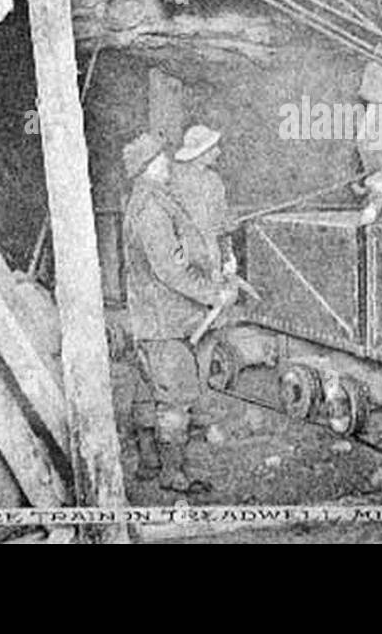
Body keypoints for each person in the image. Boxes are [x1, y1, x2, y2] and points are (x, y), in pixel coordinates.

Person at [122, 131, 236, 495]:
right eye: (160, 159)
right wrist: (211, 292)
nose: (167, 163)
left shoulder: (146, 201)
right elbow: (170, 270)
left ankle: (148, 461)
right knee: (175, 399)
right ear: (148, 167)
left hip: (148, 318)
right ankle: (173, 473)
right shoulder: (152, 211)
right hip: (164, 322)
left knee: (147, 392)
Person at [171, 124, 236, 277]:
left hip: (212, 252)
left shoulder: (214, 180)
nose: (218, 152)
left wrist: (228, 257)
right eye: (213, 148)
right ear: (202, 152)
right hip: (187, 253)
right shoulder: (176, 181)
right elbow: (173, 227)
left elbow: (222, 221)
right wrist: (178, 264)